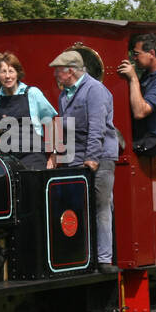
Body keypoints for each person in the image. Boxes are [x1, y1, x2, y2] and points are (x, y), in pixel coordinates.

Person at [50, 50, 118, 274]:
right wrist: (57, 156)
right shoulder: (64, 95)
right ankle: (83, 256)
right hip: (75, 158)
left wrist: (92, 159)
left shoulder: (94, 90)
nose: (56, 75)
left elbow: (97, 128)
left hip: (99, 158)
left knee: (101, 206)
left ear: (70, 71)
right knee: (77, 208)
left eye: (58, 71)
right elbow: (64, 129)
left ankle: (105, 259)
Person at [0, 52, 58, 169]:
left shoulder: (32, 93)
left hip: (33, 156)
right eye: (3, 71)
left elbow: (51, 122)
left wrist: (54, 153)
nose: (7, 76)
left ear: (17, 73)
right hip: (7, 158)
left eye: (11, 71)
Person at [116, 32, 156, 156]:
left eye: (136, 54)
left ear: (151, 53)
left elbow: (140, 112)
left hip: (146, 144)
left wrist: (133, 79)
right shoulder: (149, 75)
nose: (134, 58)